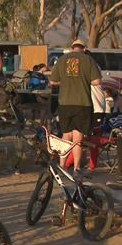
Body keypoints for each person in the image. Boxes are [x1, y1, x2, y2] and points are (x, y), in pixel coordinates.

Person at [48, 38, 102, 173]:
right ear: (83, 49)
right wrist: (83, 80)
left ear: (72, 48)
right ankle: (77, 167)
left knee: (66, 135)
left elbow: (53, 81)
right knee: (78, 138)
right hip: (82, 103)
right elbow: (97, 81)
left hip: (64, 103)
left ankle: (61, 165)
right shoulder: (88, 60)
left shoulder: (61, 60)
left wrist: (66, 82)